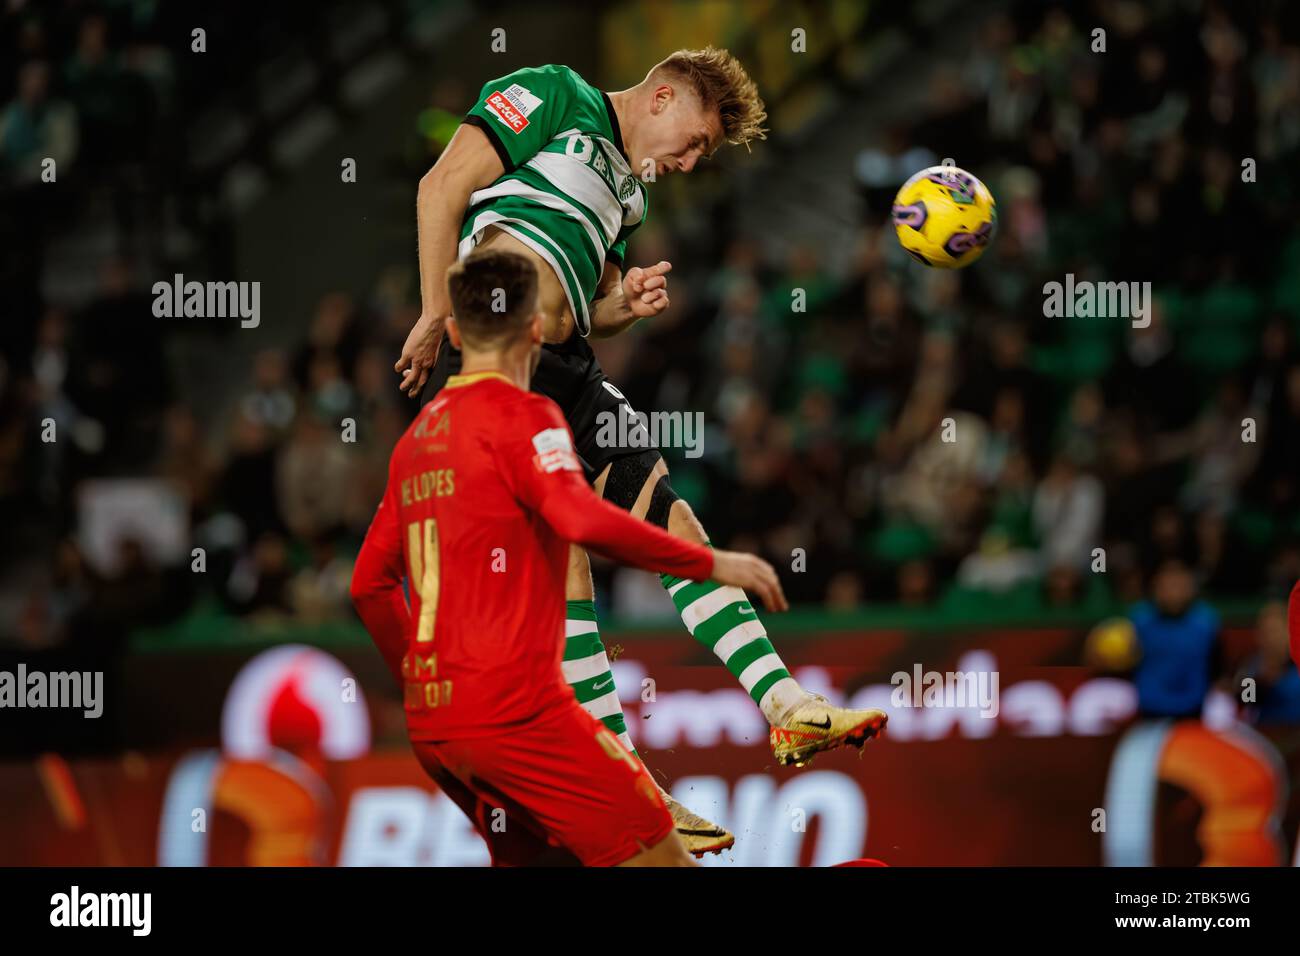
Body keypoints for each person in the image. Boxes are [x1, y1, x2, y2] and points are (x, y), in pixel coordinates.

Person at [392, 48, 887, 851]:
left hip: (571, 371)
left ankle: (788, 707)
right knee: (571, 562)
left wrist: (625, 303)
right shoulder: (553, 95)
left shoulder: (626, 201)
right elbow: (439, 186)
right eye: (694, 142)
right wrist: (431, 313)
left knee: (679, 526)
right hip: (495, 358)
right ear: (661, 96)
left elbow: (589, 308)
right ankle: (626, 779)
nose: (690, 163)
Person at [351, 249, 789, 866]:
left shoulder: (414, 443)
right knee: (666, 859)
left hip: (438, 729)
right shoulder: (530, 415)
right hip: (519, 717)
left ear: (451, 331)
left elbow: (369, 586)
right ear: (536, 329)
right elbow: (579, 517)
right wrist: (709, 564)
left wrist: (421, 686)